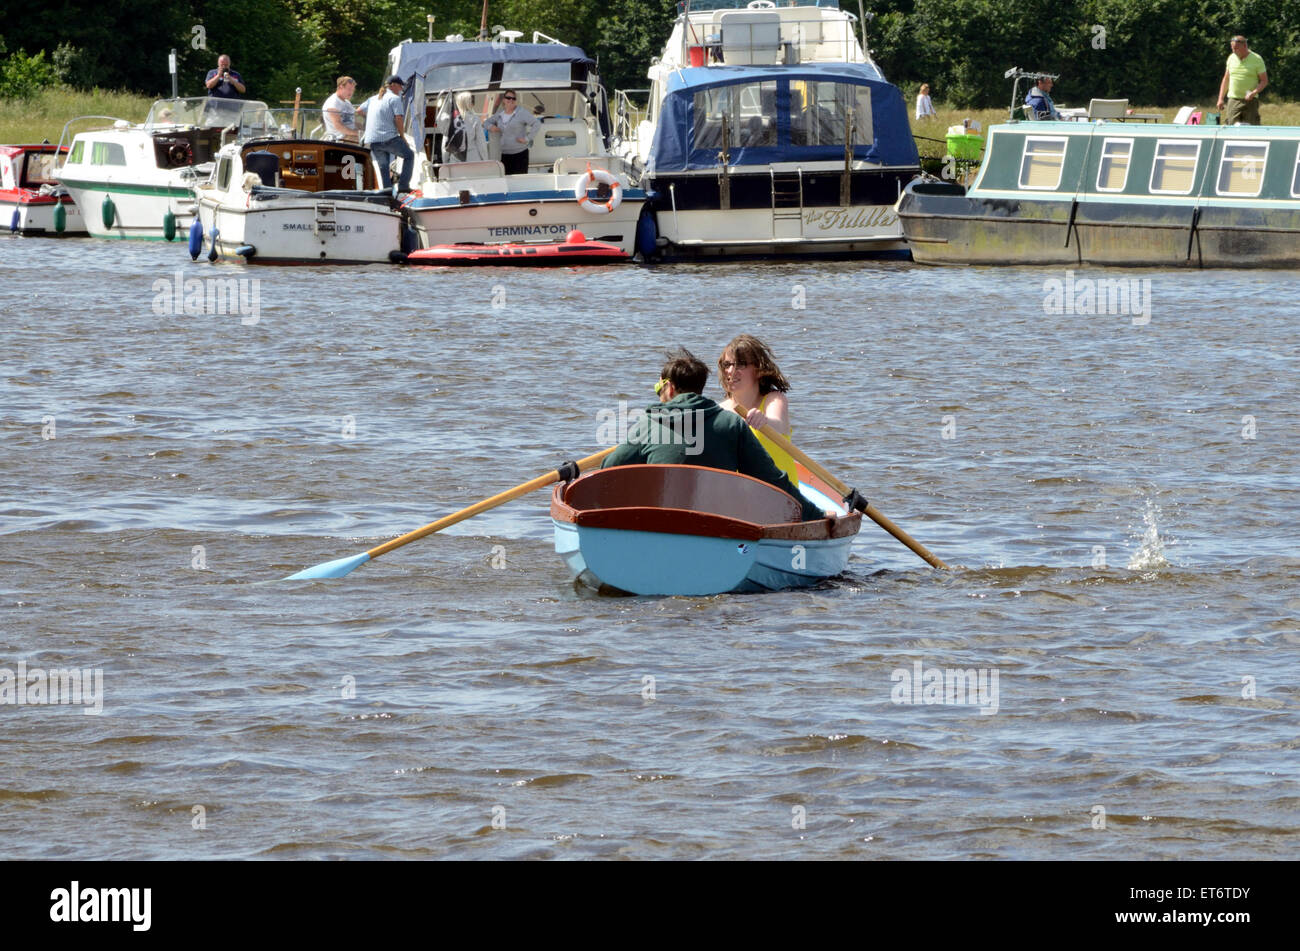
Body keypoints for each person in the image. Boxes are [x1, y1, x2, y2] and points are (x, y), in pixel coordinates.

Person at [602, 349, 829, 522]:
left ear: (669, 388)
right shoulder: (730, 424)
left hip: (663, 521)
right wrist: (817, 515)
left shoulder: (648, 424)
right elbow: (772, 480)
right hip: (720, 525)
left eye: (658, 388)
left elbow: (608, 471)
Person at [716, 335, 800, 488]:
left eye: (741, 364)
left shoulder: (774, 400)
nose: (731, 371)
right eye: (727, 365)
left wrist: (764, 421)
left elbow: (779, 424)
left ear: (758, 369)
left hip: (781, 493)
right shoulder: (720, 410)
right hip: (743, 493)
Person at [362, 75, 414, 194]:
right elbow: (399, 118)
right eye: (400, 86)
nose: (401, 90)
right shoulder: (395, 99)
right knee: (409, 155)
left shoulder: (372, 99)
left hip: (373, 140)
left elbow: (359, 110)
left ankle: (387, 193)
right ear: (394, 85)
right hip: (388, 138)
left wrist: (374, 119)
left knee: (383, 167)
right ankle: (403, 186)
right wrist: (402, 136)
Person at [483, 89, 538, 175]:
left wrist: (528, 139)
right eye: (508, 98)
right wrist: (491, 127)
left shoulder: (521, 112)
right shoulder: (499, 114)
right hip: (505, 154)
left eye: (513, 98)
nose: (511, 100)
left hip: (520, 154)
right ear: (504, 100)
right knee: (507, 182)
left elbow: (536, 123)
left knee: (520, 183)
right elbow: (486, 123)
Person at [1217, 35, 1268, 125]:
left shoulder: (1257, 59)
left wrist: (1254, 93)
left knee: (1251, 128)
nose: (1234, 51)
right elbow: (1226, 79)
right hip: (1233, 100)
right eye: (1232, 48)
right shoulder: (1231, 58)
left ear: (1245, 46)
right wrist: (1220, 99)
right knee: (1231, 127)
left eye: (1236, 48)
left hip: (1251, 101)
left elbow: (1264, 81)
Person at [445, 91, 490, 163]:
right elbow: (481, 143)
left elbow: (446, 142)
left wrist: (445, 161)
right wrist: (485, 160)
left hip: (455, 159)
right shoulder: (475, 119)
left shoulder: (451, 120)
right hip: (473, 159)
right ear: (469, 103)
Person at [322, 76, 359, 142]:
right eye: (349, 89)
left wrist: (365, 130)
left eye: (353, 90)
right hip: (339, 138)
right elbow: (338, 126)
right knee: (371, 143)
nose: (351, 93)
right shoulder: (333, 103)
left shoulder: (347, 102)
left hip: (350, 135)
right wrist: (357, 133)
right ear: (340, 87)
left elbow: (354, 121)